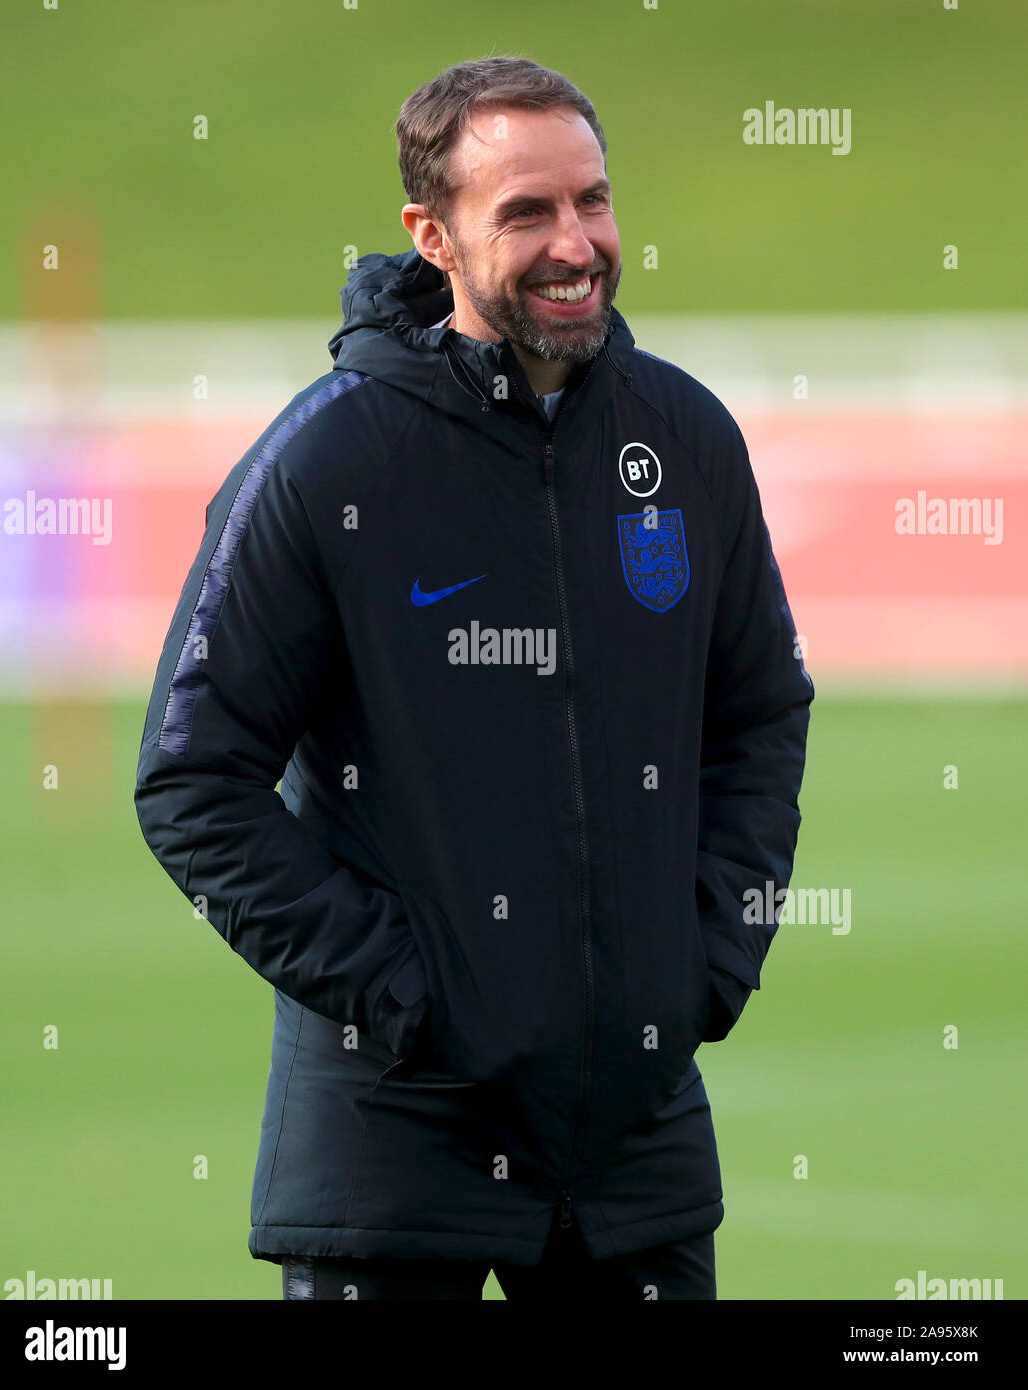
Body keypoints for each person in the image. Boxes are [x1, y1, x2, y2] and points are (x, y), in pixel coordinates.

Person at [133, 55, 814, 1301]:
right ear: (431, 235)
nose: (578, 244)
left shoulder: (687, 439)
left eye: (593, 202)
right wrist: (406, 994)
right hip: (396, 1144)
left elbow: (761, 713)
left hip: (632, 1144)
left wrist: (707, 959)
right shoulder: (327, 461)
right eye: (528, 213)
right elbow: (191, 778)